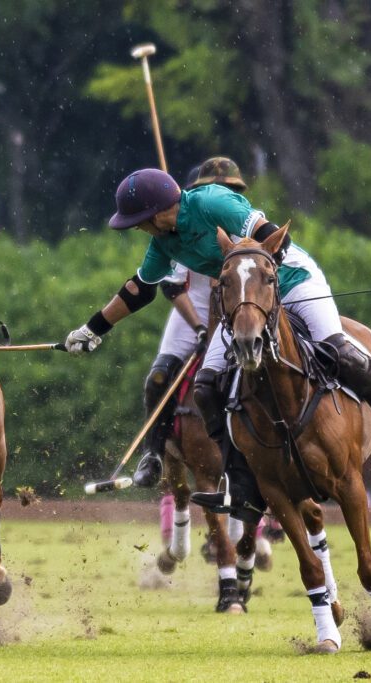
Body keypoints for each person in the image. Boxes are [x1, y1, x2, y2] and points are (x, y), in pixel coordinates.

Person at [64, 168, 371, 518]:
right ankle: (240, 481)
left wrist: (260, 289)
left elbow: (271, 235)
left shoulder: (212, 202)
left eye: (138, 221)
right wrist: (93, 328)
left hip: (292, 280)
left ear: (157, 213)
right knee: (206, 386)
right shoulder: (163, 242)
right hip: (243, 302)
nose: (136, 228)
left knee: (338, 349)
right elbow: (139, 289)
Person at [132, 157, 247, 488]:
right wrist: (199, 327)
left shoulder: (244, 223)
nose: (222, 194)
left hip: (240, 310)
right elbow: (171, 287)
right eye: (215, 188)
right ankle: (153, 453)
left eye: (230, 189)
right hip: (192, 311)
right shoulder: (184, 229)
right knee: (158, 377)